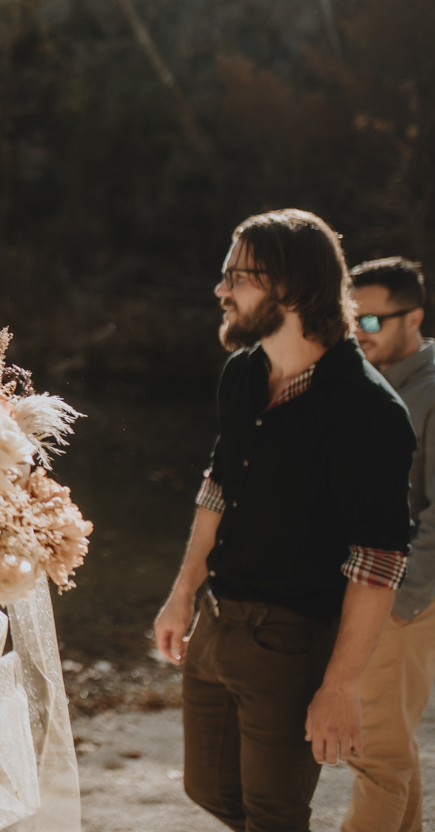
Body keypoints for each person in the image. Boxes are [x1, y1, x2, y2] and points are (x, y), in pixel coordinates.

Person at [151, 210, 416, 832]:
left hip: (291, 642)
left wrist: (341, 686)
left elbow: (378, 561)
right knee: (207, 789)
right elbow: (219, 487)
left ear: (292, 288)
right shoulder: (242, 374)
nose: (221, 290)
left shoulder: (369, 411)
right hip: (217, 622)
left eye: (237, 277)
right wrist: (181, 593)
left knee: (274, 815)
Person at [342, 257, 434, 832]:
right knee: (392, 747)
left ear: (414, 318)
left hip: (400, 598)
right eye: (353, 319)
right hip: (380, 589)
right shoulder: (377, 384)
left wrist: (400, 603)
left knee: (373, 753)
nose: (360, 332)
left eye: (374, 321)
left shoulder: (428, 392)